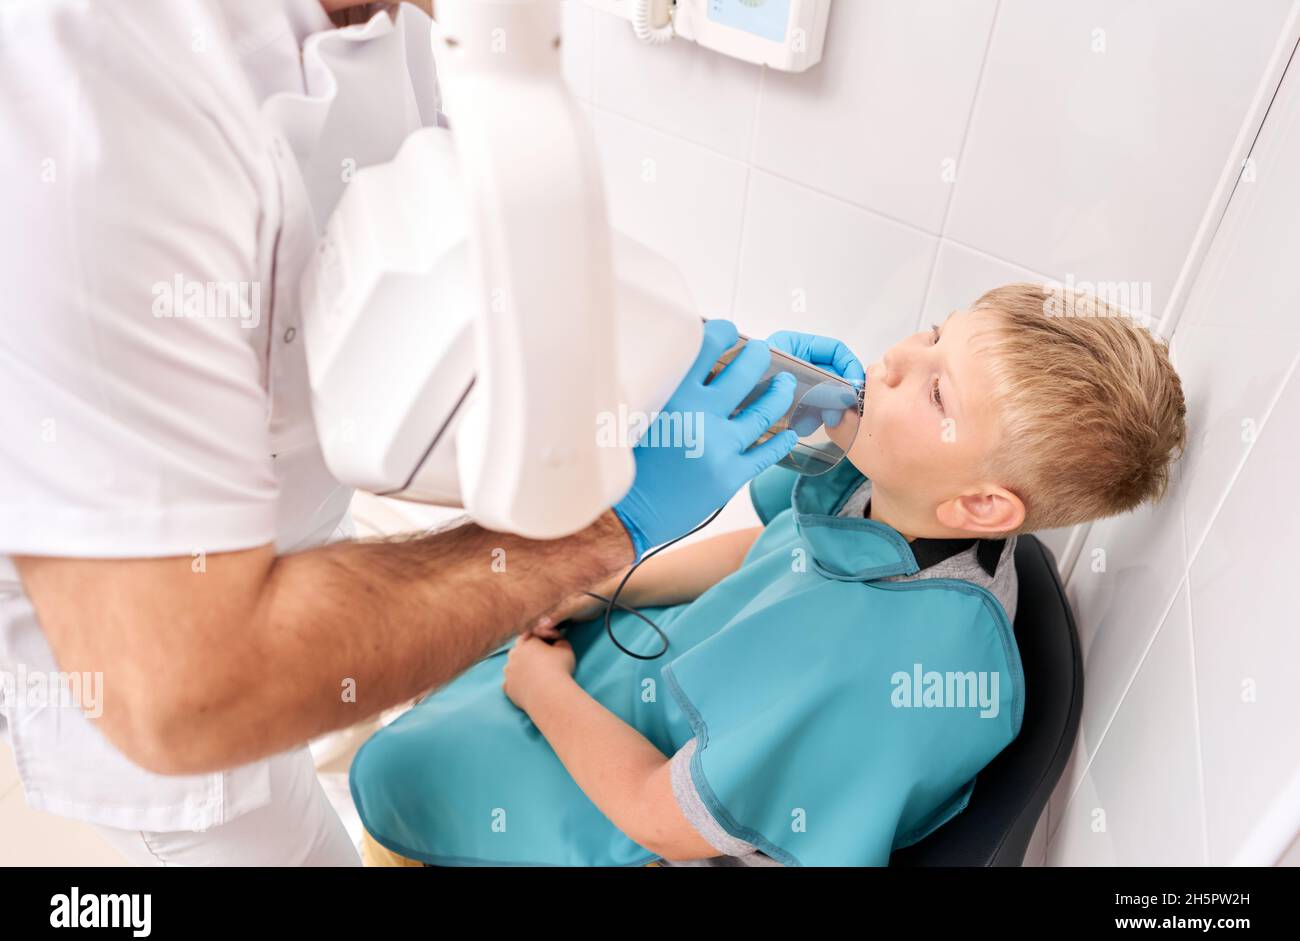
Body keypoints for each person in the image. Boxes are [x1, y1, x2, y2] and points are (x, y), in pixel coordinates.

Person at [0, 0, 862, 866]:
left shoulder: (404, 25)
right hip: (176, 686)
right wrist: (607, 529)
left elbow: (452, 272)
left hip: (293, 540)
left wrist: (649, 366)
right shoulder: (83, 100)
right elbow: (190, 687)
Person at [350, 283, 1188, 866]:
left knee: (403, 778)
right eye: (932, 333)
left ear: (982, 506)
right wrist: (609, 585)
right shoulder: (898, 495)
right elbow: (774, 549)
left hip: (676, 827)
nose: (894, 357)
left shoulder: (895, 669)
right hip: (681, 699)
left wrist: (543, 690)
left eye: (938, 394)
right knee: (477, 658)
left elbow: (661, 818)